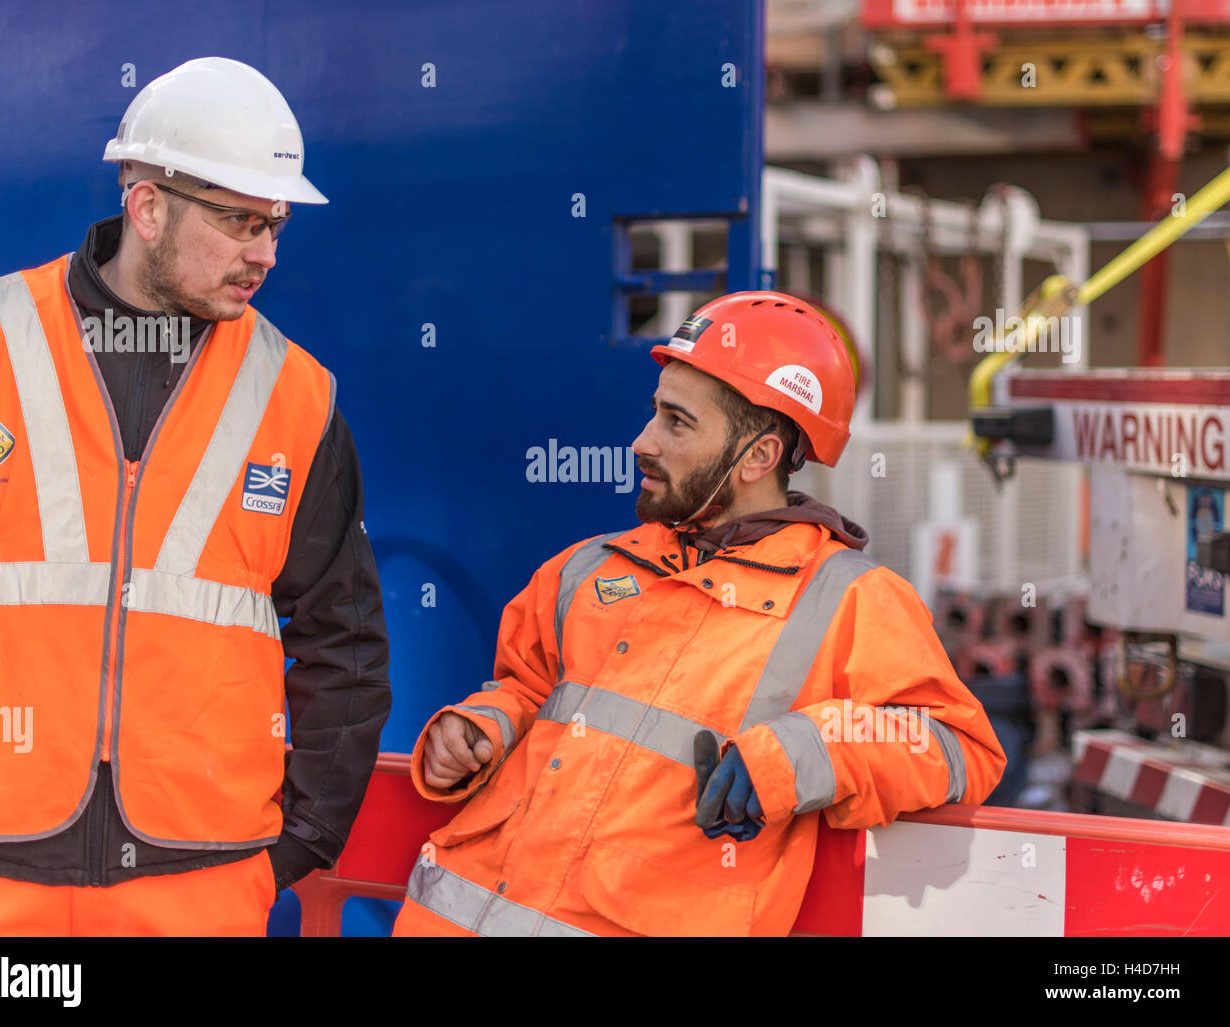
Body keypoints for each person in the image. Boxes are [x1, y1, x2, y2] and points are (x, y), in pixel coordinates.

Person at [0, 57, 391, 936]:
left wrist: (293, 848)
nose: (266, 253)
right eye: (240, 221)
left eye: (277, 224)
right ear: (147, 207)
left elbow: (347, 643)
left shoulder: (296, 395)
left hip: (200, 882)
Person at [391, 291, 1006, 937]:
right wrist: (481, 728)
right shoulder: (588, 568)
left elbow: (956, 744)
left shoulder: (851, 599)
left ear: (759, 457)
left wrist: (801, 753)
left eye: (677, 422)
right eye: (655, 412)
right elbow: (527, 689)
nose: (642, 441)